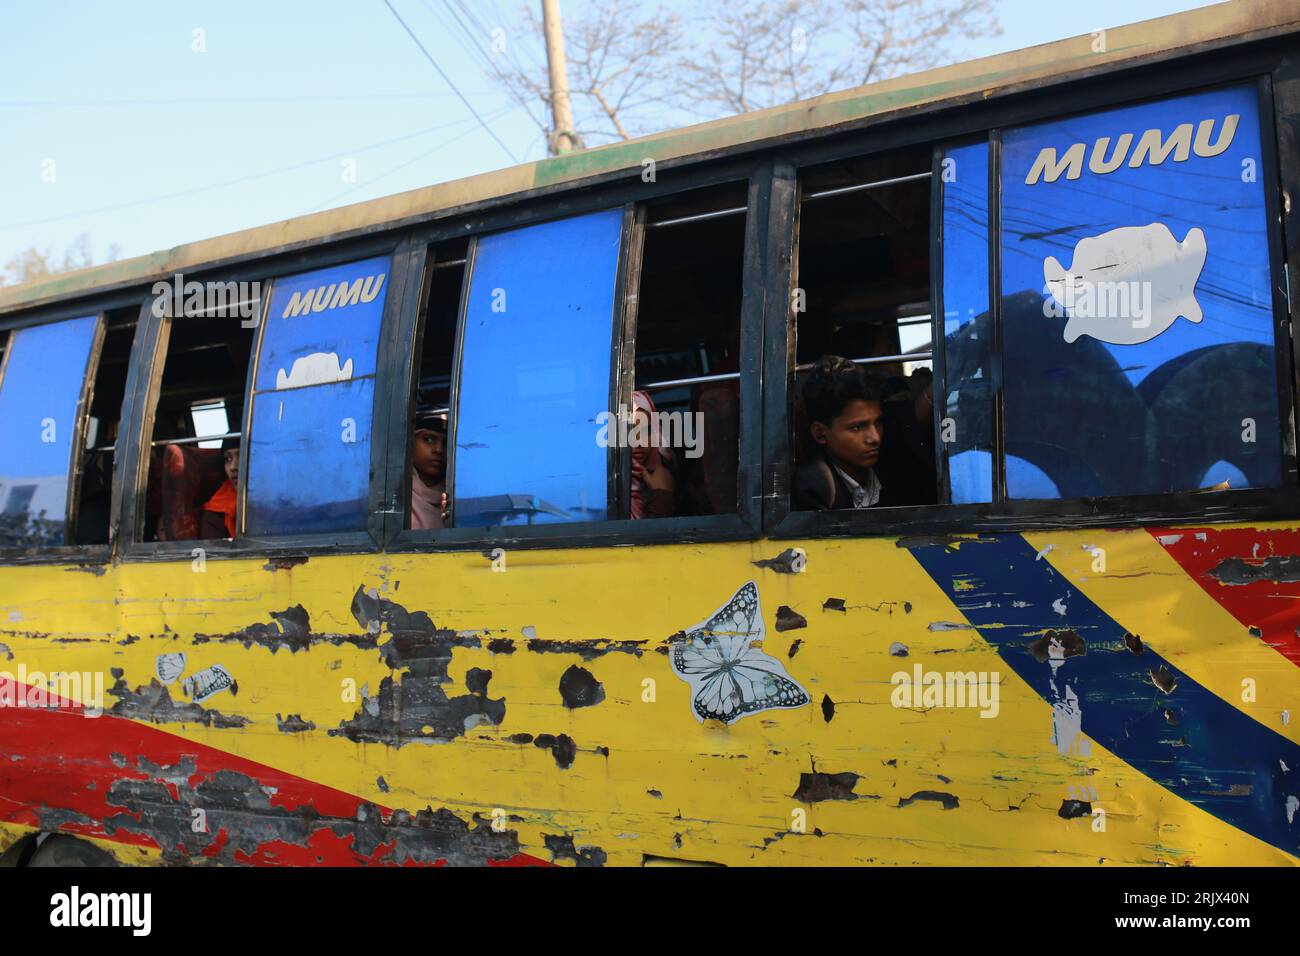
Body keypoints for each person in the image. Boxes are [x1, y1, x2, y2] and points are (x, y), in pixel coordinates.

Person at [793, 355, 889, 511]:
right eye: (857, 427)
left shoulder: (887, 467)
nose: (875, 438)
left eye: (878, 422)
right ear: (820, 434)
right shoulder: (815, 488)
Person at [630, 390, 680, 519]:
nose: (640, 442)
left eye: (646, 431)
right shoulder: (604, 488)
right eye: (629, 431)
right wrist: (662, 496)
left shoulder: (667, 476)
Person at [410, 410, 447, 530]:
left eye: (446, 443)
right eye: (428, 440)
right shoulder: (393, 494)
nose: (439, 449)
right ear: (410, 442)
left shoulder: (457, 497)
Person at [199, 439, 239, 538]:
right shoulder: (216, 515)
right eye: (228, 459)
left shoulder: (279, 499)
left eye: (242, 456)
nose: (233, 467)